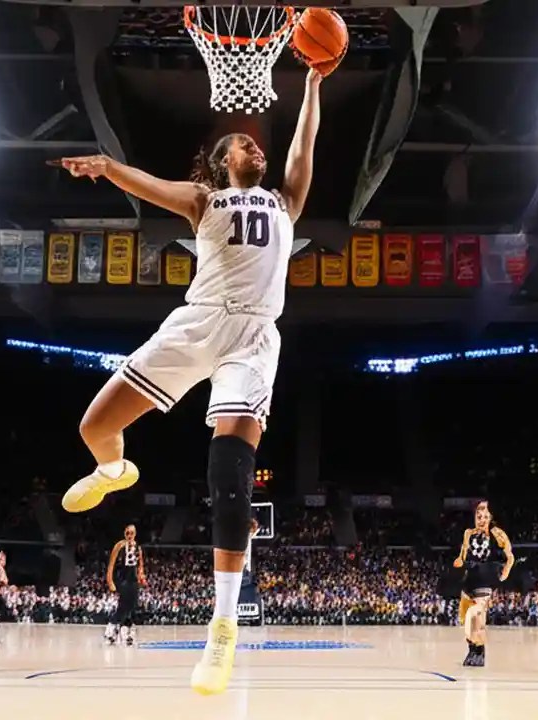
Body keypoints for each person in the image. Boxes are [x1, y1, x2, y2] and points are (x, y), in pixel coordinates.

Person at [51, 63, 330, 695]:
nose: (254, 145)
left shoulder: (286, 201)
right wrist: (107, 167)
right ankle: (115, 472)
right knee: (95, 425)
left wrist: (314, 84)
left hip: (253, 338)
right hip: (198, 322)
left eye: (257, 143)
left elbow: (304, 144)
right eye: (243, 143)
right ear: (221, 163)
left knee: (229, 471)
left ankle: (222, 626)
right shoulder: (203, 199)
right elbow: (149, 184)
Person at [452, 500, 514, 667]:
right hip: (469, 578)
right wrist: (459, 561)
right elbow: (462, 556)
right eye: (478, 516)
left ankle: (480, 652)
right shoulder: (468, 534)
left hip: (485, 579)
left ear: (490, 517)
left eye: (485, 516)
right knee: (466, 620)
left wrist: (505, 572)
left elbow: (510, 556)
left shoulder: (497, 533)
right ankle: (473, 649)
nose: (481, 519)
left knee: (478, 617)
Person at [104, 524, 146, 646]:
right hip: (122, 579)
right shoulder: (119, 545)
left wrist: (141, 575)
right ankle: (110, 630)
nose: (129, 535)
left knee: (132, 606)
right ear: (124, 533)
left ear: (135, 534)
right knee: (122, 606)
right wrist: (110, 581)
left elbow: (141, 564)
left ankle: (126, 631)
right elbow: (111, 564)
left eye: (131, 533)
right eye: (127, 533)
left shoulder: (138, 548)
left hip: (134, 580)